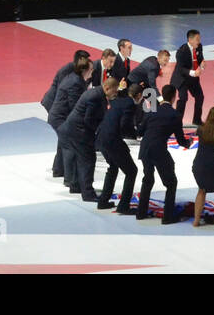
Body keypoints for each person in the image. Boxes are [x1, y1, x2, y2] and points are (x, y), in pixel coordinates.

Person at [136, 83, 190, 224]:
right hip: (158, 150)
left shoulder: (152, 111)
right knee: (171, 183)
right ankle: (168, 217)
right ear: (174, 97)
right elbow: (180, 140)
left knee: (147, 180)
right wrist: (188, 143)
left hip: (145, 149)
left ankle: (140, 213)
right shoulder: (175, 115)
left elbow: (140, 132)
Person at [47, 57, 93, 190]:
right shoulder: (75, 83)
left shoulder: (76, 79)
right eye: (90, 70)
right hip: (60, 118)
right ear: (84, 70)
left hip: (59, 116)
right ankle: (70, 179)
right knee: (69, 147)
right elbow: (75, 105)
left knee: (64, 143)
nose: (92, 72)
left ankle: (58, 170)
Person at [61, 77, 108, 202]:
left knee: (80, 158)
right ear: (107, 88)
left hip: (73, 129)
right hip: (79, 132)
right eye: (113, 92)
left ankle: (75, 185)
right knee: (87, 160)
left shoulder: (96, 92)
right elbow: (89, 120)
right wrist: (97, 132)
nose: (114, 95)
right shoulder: (96, 97)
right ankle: (88, 193)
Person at [95, 79, 138, 212]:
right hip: (112, 140)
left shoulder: (118, 100)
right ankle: (124, 206)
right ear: (139, 96)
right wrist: (135, 134)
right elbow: (125, 125)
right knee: (132, 171)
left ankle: (103, 201)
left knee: (113, 167)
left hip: (102, 138)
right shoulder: (130, 104)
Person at [172, 30, 206, 126]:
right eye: (197, 39)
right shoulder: (181, 52)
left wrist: (202, 63)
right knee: (183, 98)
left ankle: (197, 120)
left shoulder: (199, 46)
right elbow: (180, 69)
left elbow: (200, 58)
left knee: (200, 97)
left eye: (199, 39)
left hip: (193, 79)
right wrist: (193, 72)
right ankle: (177, 122)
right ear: (190, 40)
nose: (199, 41)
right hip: (182, 78)